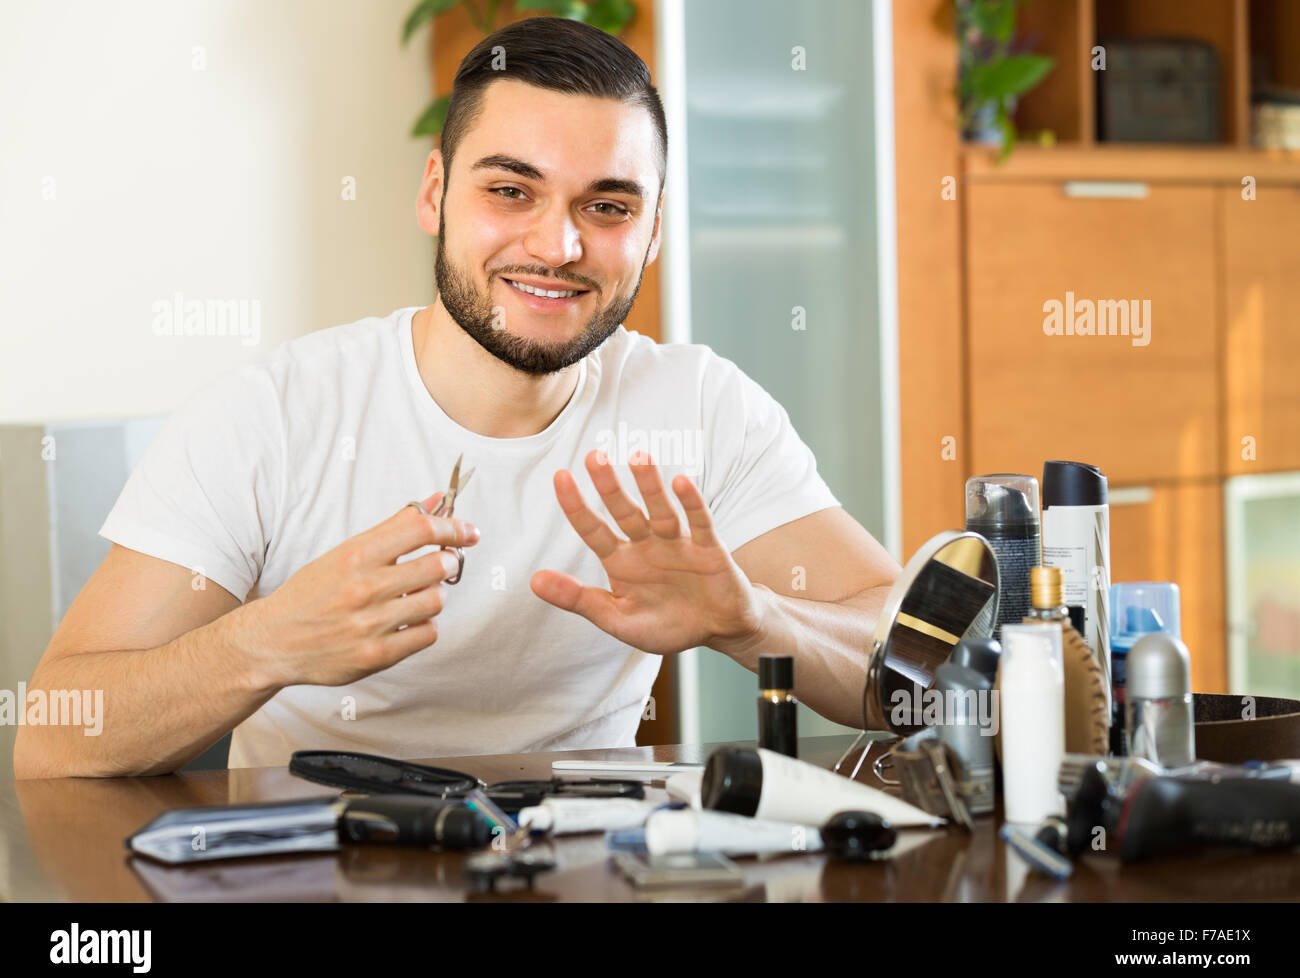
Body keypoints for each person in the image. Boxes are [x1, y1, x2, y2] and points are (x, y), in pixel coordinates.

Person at [14, 17, 899, 778]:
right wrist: (267, 642)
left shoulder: (699, 407)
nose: (556, 246)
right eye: (510, 191)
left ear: (655, 228)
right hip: (317, 872)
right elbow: (52, 737)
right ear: (436, 192)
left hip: (591, 871)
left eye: (608, 207)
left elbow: (918, 674)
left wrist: (751, 619)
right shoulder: (273, 414)